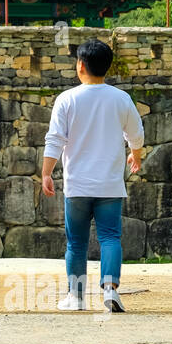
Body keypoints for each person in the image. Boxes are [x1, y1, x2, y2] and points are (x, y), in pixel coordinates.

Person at [41, 39, 144, 313]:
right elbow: (136, 133)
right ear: (107, 67)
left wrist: (46, 173)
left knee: (76, 242)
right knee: (110, 237)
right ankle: (110, 289)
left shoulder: (67, 99)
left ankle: (76, 297)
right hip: (110, 184)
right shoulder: (121, 99)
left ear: (80, 65)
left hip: (77, 185)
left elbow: (55, 140)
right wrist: (136, 154)